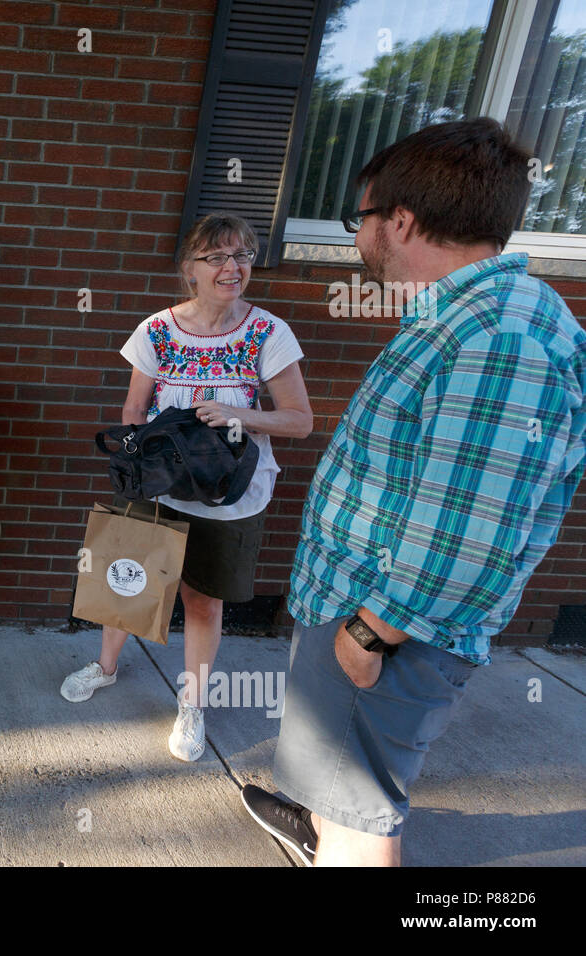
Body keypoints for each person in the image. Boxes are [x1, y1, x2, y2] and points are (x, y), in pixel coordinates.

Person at [241, 118, 586, 866]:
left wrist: (370, 633)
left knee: (363, 817)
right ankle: (317, 821)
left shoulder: (499, 336)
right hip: (366, 607)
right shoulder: (467, 315)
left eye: (358, 219)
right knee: (340, 793)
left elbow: (470, 528)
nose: (357, 238)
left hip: (387, 626)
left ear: (398, 219)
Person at [61, 213, 313, 762]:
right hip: (159, 483)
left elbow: (299, 420)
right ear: (190, 269)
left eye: (243, 255)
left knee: (202, 601)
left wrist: (237, 413)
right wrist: (134, 469)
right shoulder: (156, 330)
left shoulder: (268, 333)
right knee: (128, 580)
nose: (233, 267)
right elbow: (134, 408)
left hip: (229, 493)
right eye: (217, 257)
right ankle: (105, 668)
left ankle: (192, 704)